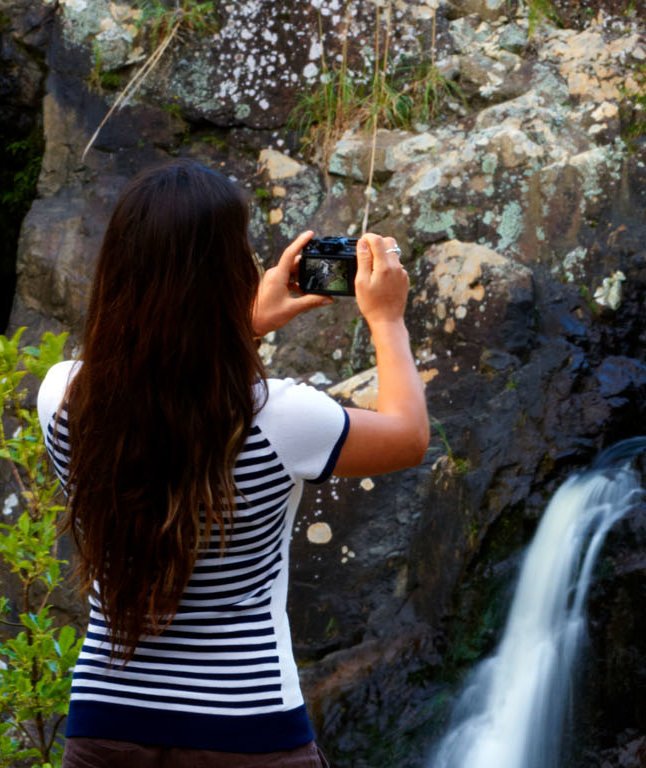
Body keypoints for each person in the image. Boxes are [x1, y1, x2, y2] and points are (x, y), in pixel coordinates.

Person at [36, 160, 429, 767]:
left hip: (104, 729)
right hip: (246, 733)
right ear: (225, 277)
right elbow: (407, 437)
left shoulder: (63, 397)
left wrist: (244, 326)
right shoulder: (284, 420)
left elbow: (165, 394)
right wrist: (387, 319)